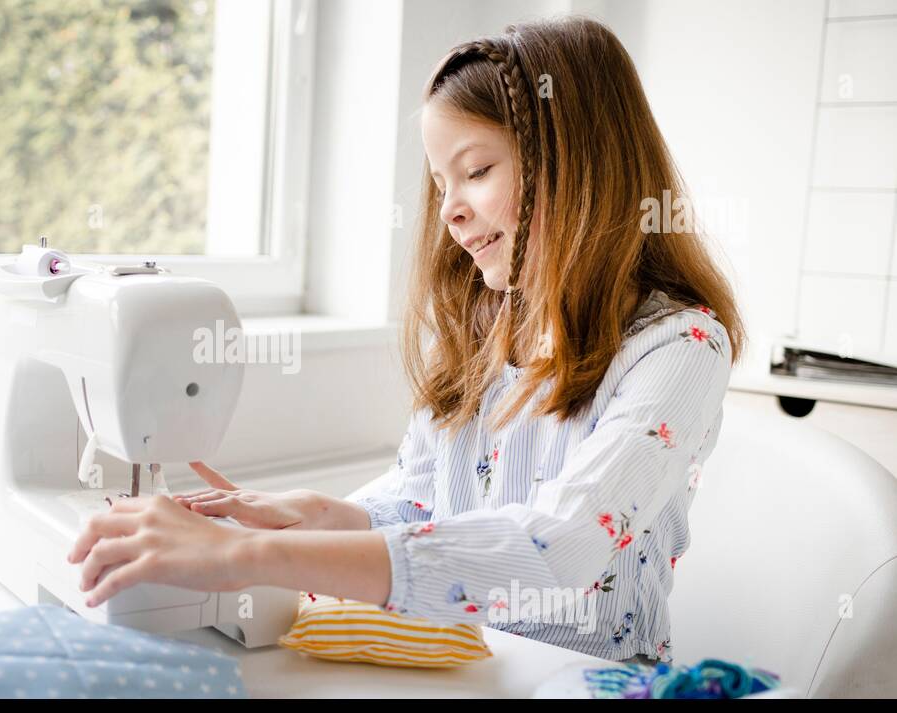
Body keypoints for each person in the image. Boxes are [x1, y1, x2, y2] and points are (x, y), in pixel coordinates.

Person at [67, 16, 746, 664]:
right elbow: (424, 496)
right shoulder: (487, 331)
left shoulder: (681, 350)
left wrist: (242, 558)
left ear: (582, 166)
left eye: (476, 171)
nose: (449, 209)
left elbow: (556, 546)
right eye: (441, 182)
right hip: (477, 669)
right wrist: (320, 514)